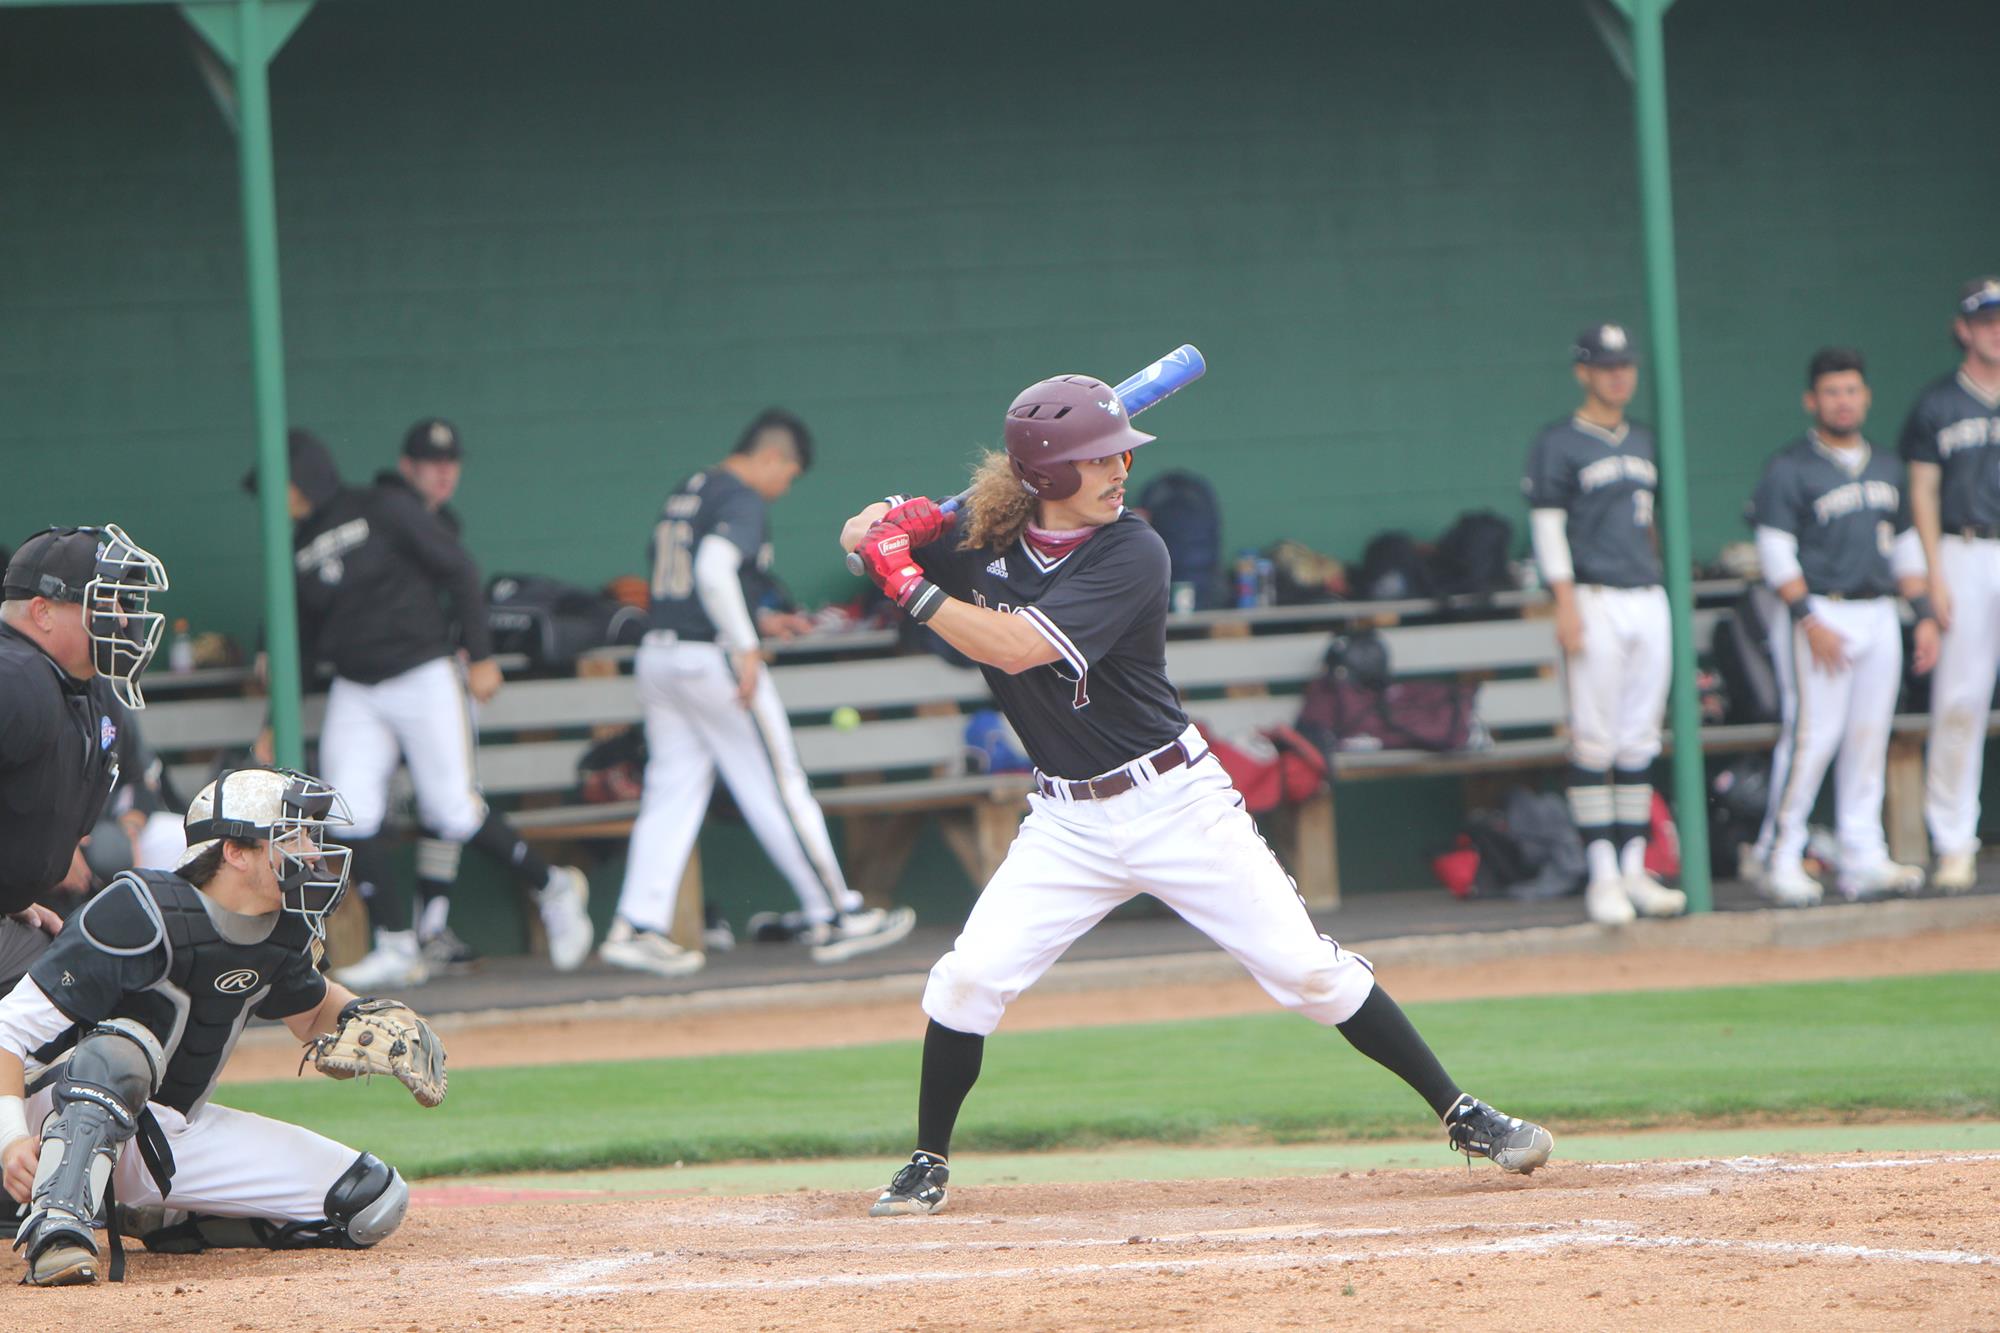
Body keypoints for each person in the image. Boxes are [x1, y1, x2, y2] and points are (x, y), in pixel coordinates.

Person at [841, 372, 1553, 1217]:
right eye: (1097, 458)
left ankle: (1463, 1112)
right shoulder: (982, 533)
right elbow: (859, 535)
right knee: (967, 979)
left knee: (1305, 971)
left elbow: (1015, 647)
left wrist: (911, 582)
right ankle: (927, 1161)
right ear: (1045, 476)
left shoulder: (1132, 550)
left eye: (1118, 454)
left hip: (1176, 802)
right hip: (1066, 820)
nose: (1119, 471)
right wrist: (897, 522)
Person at [0, 767, 430, 1285]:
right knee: (122, 1049)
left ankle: (161, 1216)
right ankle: (58, 1225)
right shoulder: (137, 909)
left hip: (168, 1131)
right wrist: (11, 1141)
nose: (312, 852)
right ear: (235, 851)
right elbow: (7, 1032)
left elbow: (314, 1014)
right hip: (53, 1114)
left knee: (370, 1201)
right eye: (291, 835)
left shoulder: (282, 929)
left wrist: (373, 1022)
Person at [258, 429, 593, 988]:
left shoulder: (381, 507)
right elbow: (304, 642)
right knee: (349, 812)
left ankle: (553, 886)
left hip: (421, 671)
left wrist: (482, 656)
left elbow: (459, 568)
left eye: (282, 485)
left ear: (305, 477)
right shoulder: (296, 544)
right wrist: (274, 722)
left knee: (452, 811)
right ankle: (397, 944)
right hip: (357, 686)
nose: (279, 497)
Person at [601, 409, 916, 977]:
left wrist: (753, 625)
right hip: (711, 659)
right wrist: (746, 644)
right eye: (788, 474)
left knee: (672, 792)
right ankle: (839, 912)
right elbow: (715, 569)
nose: (783, 486)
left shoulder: (690, 489)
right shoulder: (742, 495)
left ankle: (637, 925)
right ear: (771, 458)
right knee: (779, 783)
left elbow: (691, 581)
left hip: (661, 655)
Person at [1749, 348, 1935, 905]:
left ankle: (1863, 856)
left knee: (1868, 736)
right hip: (1820, 611)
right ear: (1812, 401)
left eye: (1852, 390)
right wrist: (1809, 620)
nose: (1843, 401)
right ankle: (1777, 855)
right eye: (1832, 392)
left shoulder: (1885, 464)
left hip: (1878, 609)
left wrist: (1923, 618)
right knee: (1813, 737)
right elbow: (1774, 553)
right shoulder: (1788, 468)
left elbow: (1906, 550)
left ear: (1866, 396)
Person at [1521, 324, 1686, 925]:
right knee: (1595, 739)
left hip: (1646, 593)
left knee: (1639, 737)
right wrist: (1563, 601)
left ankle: (1637, 868)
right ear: (1583, 372)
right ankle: (1603, 876)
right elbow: (1547, 528)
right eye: (1606, 365)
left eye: (1626, 365)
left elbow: (1653, 524)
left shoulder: (1644, 438)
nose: (1619, 375)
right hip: (1592, 596)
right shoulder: (1560, 443)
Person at [0, 525, 169, 992]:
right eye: (103, 602)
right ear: (43, 612)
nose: (120, 617)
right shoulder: (14, 678)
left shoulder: (80, 687)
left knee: (115, 987)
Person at [1900, 276, 2000, 893]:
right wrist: (1934, 575)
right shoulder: (1938, 403)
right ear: (1962, 330)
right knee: (1960, 702)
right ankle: (1953, 842)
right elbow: (1921, 493)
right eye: (1984, 320)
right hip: (1964, 551)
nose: (1994, 330)